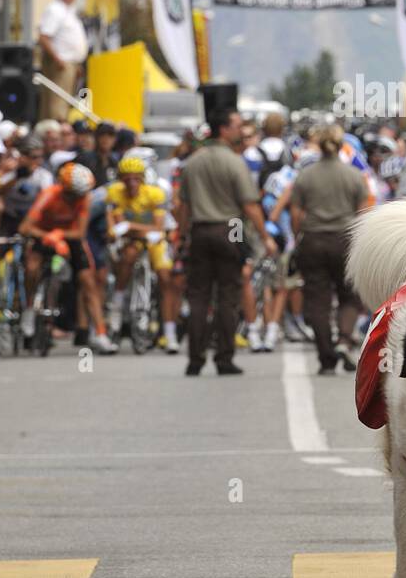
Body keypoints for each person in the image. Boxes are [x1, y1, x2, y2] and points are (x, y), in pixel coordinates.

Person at [178, 108, 276, 377]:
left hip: (199, 229)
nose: (240, 131)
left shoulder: (193, 162)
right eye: (235, 126)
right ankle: (224, 357)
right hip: (231, 228)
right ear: (223, 129)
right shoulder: (235, 163)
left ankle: (195, 358)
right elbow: (250, 205)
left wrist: (181, 235)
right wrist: (265, 238)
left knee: (198, 296)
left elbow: (183, 205)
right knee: (228, 296)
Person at [290, 123, 369, 374]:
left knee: (317, 300)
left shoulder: (305, 175)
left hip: (313, 240)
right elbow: (362, 213)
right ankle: (345, 340)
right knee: (349, 294)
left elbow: (295, 213)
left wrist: (298, 236)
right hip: (344, 240)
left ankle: (326, 356)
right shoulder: (354, 175)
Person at [19, 160, 116, 354]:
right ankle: (29, 310)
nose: (74, 200)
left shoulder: (83, 199)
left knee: (88, 282)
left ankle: (100, 333)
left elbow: (80, 233)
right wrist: (47, 236)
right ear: (63, 187)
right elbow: (25, 227)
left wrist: (61, 235)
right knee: (31, 268)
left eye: (78, 196)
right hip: (43, 234)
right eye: (71, 195)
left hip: (69, 237)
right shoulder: (49, 195)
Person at [106, 155, 179, 354]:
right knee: (127, 257)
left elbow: (157, 227)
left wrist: (130, 226)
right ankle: (117, 308)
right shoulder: (115, 193)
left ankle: (170, 334)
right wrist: (134, 229)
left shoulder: (155, 194)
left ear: (142, 179)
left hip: (156, 240)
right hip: (135, 240)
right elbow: (118, 227)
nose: (131, 183)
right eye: (127, 179)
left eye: (136, 178)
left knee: (165, 278)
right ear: (121, 179)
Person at [37, 0, 89, 122]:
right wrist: (57, 59)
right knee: (57, 103)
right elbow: (44, 37)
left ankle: (60, 126)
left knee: (65, 101)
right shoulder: (55, 10)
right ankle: (56, 129)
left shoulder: (69, 11)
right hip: (61, 63)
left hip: (69, 62)